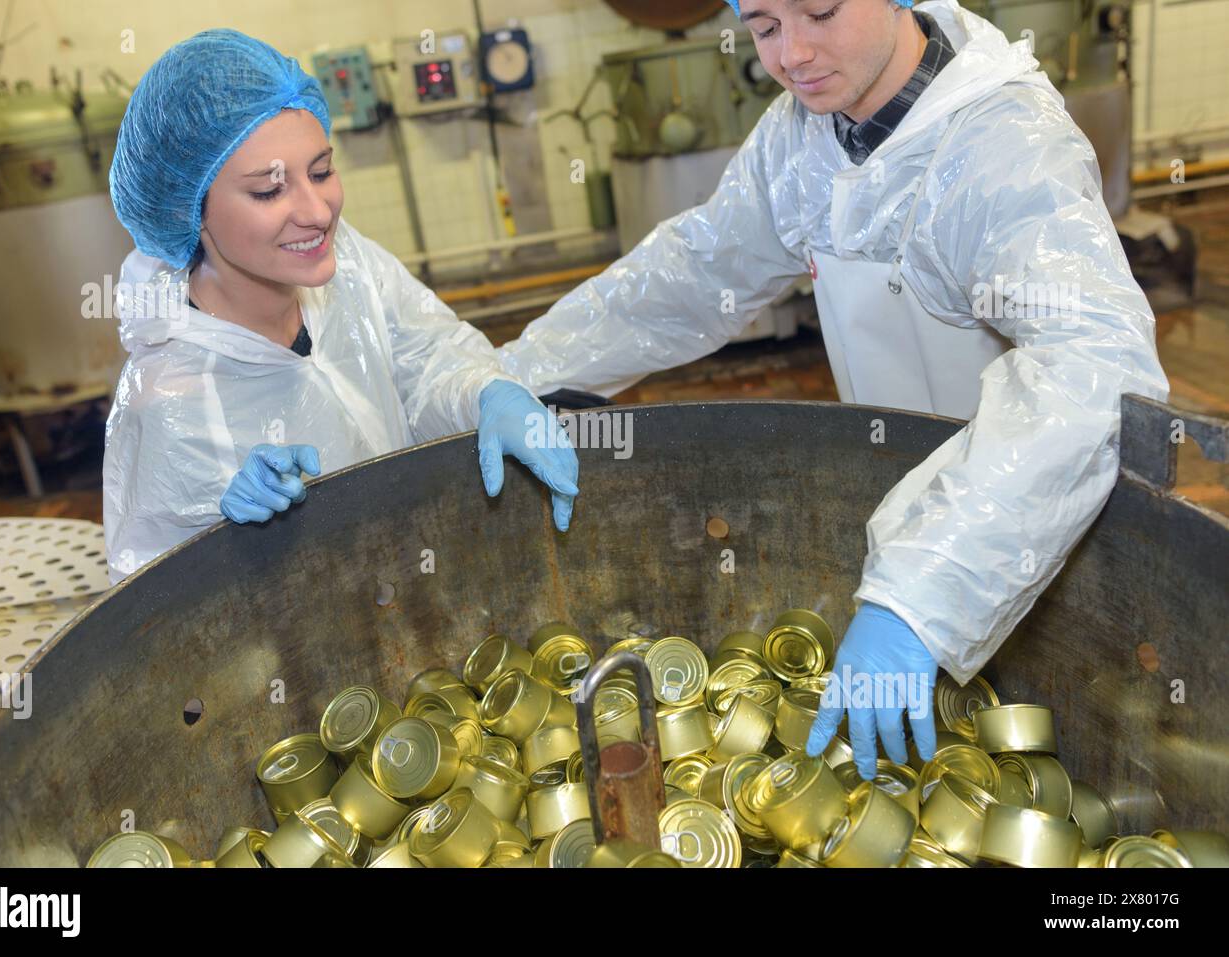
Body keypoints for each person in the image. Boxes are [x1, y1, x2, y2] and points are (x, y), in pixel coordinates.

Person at [496, 0, 1169, 779]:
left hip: (1023, 532)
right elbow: (698, 270)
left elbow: (1095, 368)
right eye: (764, 27)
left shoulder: (1002, 147)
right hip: (901, 521)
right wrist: (512, 378)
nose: (793, 55)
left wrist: (925, 588)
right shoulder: (805, 134)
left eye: (819, 11)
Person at [103, 29, 577, 584]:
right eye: (268, 191)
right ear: (190, 210)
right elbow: (156, 607)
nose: (318, 211)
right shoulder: (169, 402)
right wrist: (216, 532)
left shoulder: (348, 265)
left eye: (322, 171)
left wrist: (485, 391)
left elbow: (425, 357)